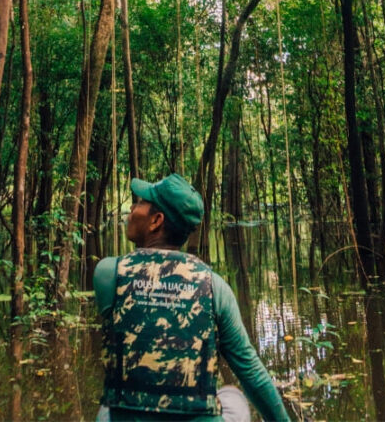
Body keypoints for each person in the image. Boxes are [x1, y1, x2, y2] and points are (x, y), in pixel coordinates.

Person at [94, 173, 292, 422]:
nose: (132, 208)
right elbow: (251, 372)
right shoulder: (215, 286)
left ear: (156, 221)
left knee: (105, 409)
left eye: (140, 202)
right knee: (232, 396)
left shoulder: (108, 274)